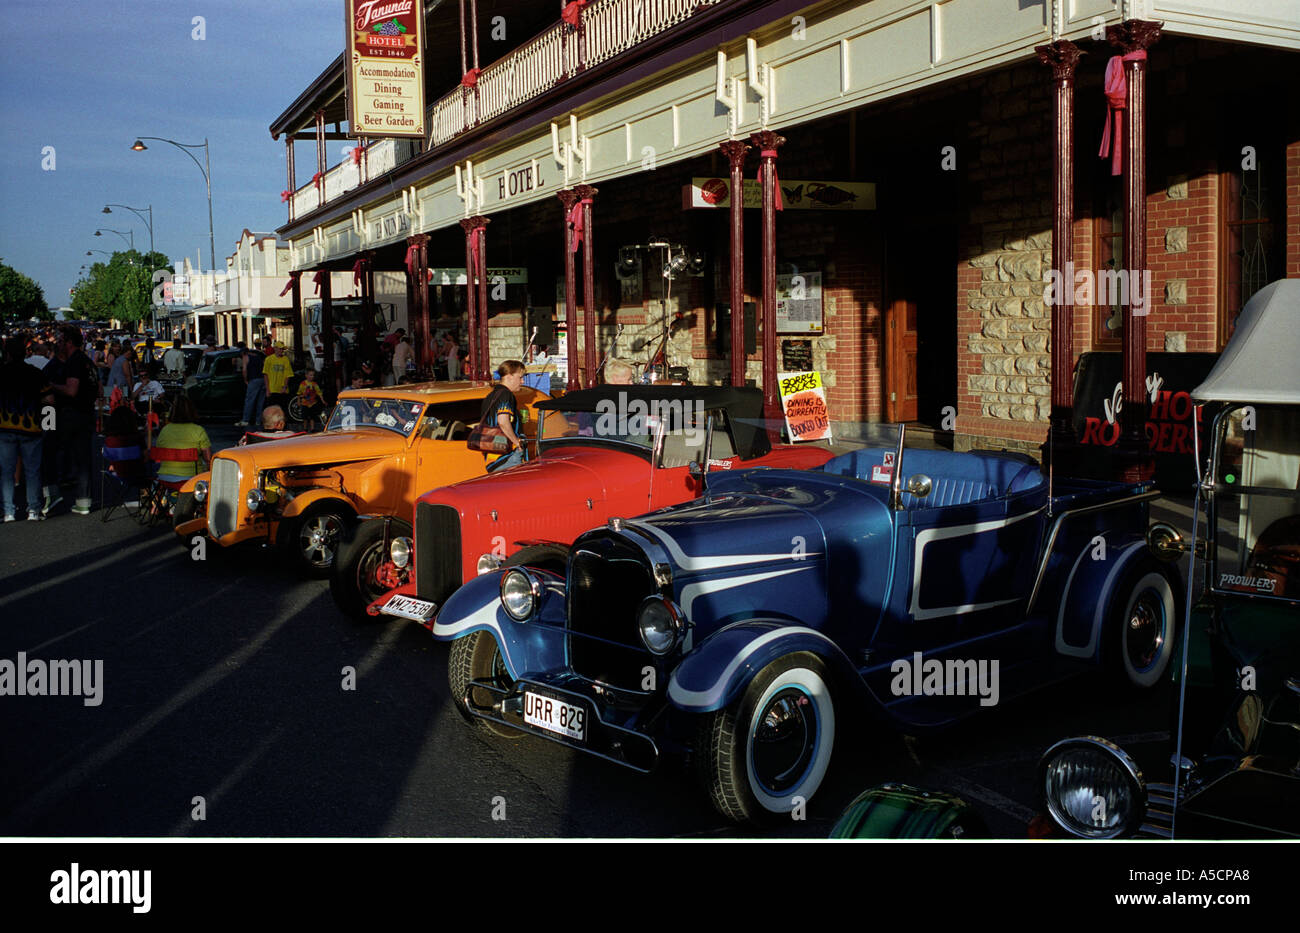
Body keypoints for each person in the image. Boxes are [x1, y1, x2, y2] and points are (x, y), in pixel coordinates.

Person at [46, 325, 99, 515]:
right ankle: (84, 501)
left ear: (69, 342)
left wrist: (51, 385)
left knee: (51, 451)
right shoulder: (88, 362)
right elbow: (99, 389)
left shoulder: (74, 362)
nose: (58, 344)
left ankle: (51, 494)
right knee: (83, 459)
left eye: (61, 340)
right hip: (86, 413)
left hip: (71, 414)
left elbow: (71, 390)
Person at [0, 335, 52, 521]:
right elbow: (49, 400)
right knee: (32, 471)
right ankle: (33, 509)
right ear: (25, 354)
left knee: (6, 472)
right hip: (31, 427)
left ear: (7, 354)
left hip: (5, 427)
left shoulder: (2, 372)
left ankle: (8, 511)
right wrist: (49, 425)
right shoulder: (35, 373)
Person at [478, 360, 526, 473]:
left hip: (493, 455)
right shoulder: (506, 394)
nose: (522, 381)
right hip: (506, 455)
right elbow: (503, 422)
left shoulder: (491, 395)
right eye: (520, 377)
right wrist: (517, 442)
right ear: (509, 377)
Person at [154, 394, 211, 483]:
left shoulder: (165, 430)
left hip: (165, 477)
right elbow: (208, 459)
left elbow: (158, 453)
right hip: (191, 479)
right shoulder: (198, 430)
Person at [237, 338, 266, 427]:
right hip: (263, 379)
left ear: (243, 353)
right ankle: (258, 420)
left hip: (253, 380)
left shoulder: (245, 357)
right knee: (260, 401)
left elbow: (244, 370)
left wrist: (245, 380)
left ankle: (246, 420)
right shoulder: (258, 356)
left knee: (250, 400)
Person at [262, 341, 293, 415]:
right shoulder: (269, 359)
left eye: (282, 349)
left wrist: (285, 387)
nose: (281, 351)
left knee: (282, 411)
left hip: (282, 390)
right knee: (271, 411)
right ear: (275, 348)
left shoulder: (285, 359)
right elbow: (265, 375)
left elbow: (288, 375)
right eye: (280, 349)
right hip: (272, 390)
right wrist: (267, 389)